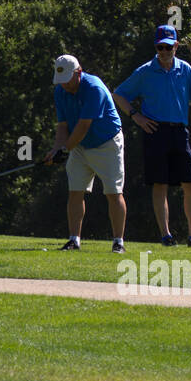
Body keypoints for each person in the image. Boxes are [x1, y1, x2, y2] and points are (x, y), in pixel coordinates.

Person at [112, 25, 191, 249]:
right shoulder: (145, 71)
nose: (164, 51)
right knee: (160, 184)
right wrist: (136, 117)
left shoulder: (185, 69)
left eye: (168, 47)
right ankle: (166, 236)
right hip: (155, 132)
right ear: (156, 47)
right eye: (160, 47)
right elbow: (119, 95)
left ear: (176, 46)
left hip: (180, 131)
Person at [44, 54, 128, 253]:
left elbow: (83, 126)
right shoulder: (60, 91)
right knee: (75, 191)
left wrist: (65, 150)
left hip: (107, 143)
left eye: (67, 81)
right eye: (60, 82)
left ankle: (118, 242)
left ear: (78, 72)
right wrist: (56, 149)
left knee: (113, 193)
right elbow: (63, 126)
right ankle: (74, 240)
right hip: (80, 147)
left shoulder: (94, 88)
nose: (64, 86)